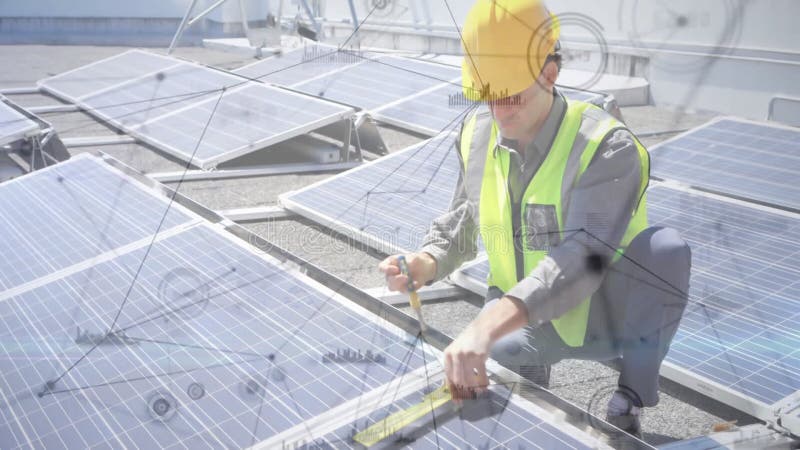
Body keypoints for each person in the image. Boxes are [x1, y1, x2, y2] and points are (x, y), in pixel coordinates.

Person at [378, 0, 692, 439]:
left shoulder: (605, 144)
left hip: (601, 314)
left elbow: (583, 257)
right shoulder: (477, 134)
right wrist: (425, 262)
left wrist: (484, 325)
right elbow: (465, 218)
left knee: (666, 250)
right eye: (489, 97)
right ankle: (529, 372)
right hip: (524, 316)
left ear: (550, 72)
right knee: (481, 366)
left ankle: (629, 398)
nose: (500, 112)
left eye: (512, 95)